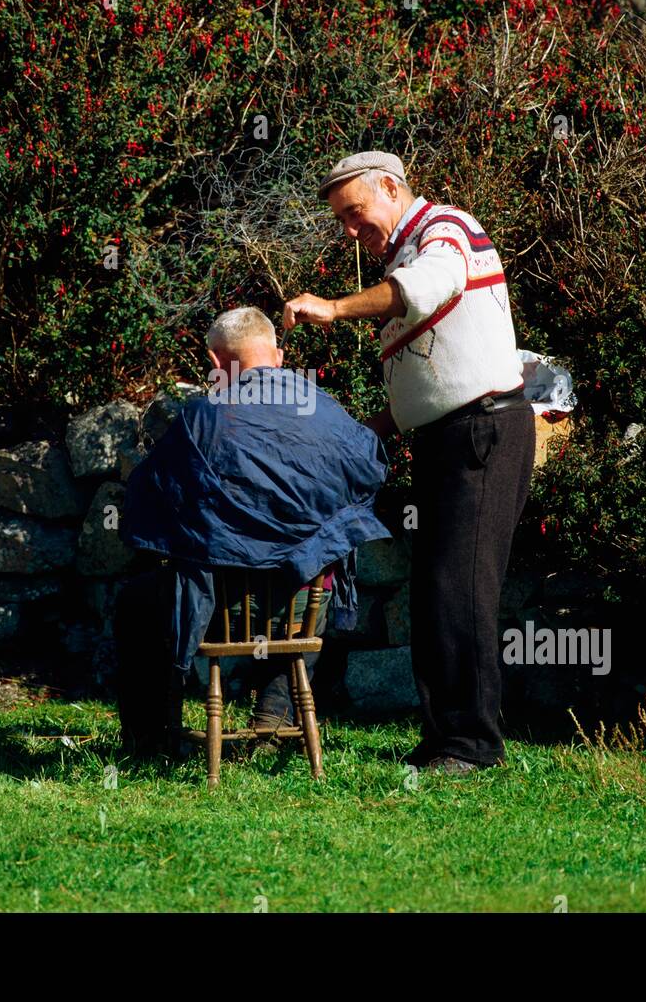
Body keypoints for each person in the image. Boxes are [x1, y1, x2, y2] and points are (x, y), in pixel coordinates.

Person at [283, 151, 536, 773]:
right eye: (342, 219)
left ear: (392, 188)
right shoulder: (405, 252)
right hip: (448, 434)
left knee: (462, 588)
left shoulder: (443, 228)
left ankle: (474, 746)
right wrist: (367, 430)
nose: (350, 229)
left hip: (482, 431)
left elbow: (429, 290)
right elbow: (434, 378)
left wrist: (334, 307)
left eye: (356, 212)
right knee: (434, 590)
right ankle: (445, 735)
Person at [115, 306, 391, 755]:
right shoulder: (326, 412)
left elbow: (145, 501)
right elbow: (369, 472)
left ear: (215, 361)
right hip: (302, 600)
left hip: (222, 604)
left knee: (136, 602)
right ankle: (275, 717)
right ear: (278, 357)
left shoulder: (201, 418)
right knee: (318, 571)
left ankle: (152, 740)